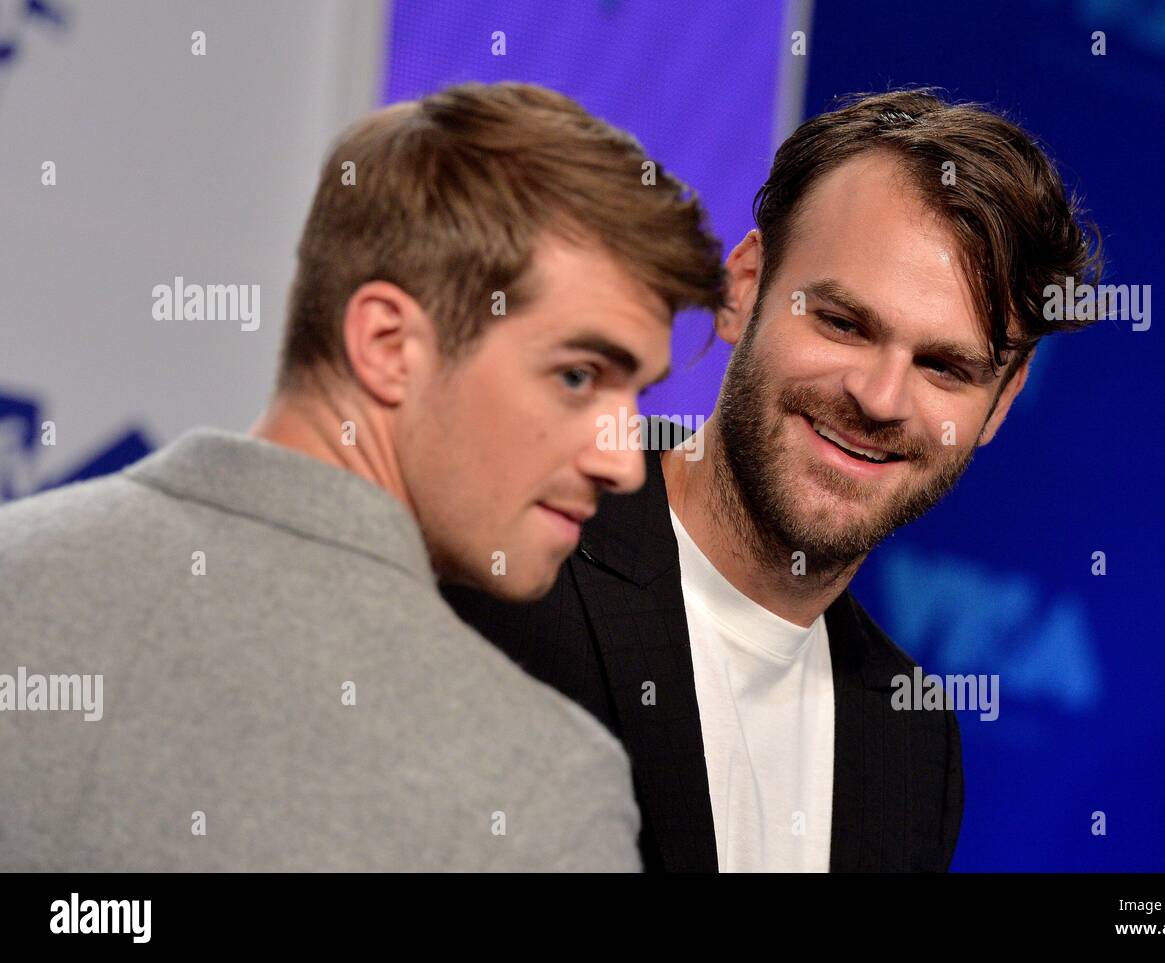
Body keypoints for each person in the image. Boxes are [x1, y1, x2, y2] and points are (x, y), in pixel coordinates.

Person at [0, 81, 725, 871]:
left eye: (638, 394)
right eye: (579, 377)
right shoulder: (529, 789)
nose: (624, 460)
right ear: (387, 344)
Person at [443, 87, 1106, 872]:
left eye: (944, 366)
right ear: (743, 287)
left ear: (1002, 402)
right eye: (843, 323)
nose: (880, 398)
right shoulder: (494, 558)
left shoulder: (914, 742)